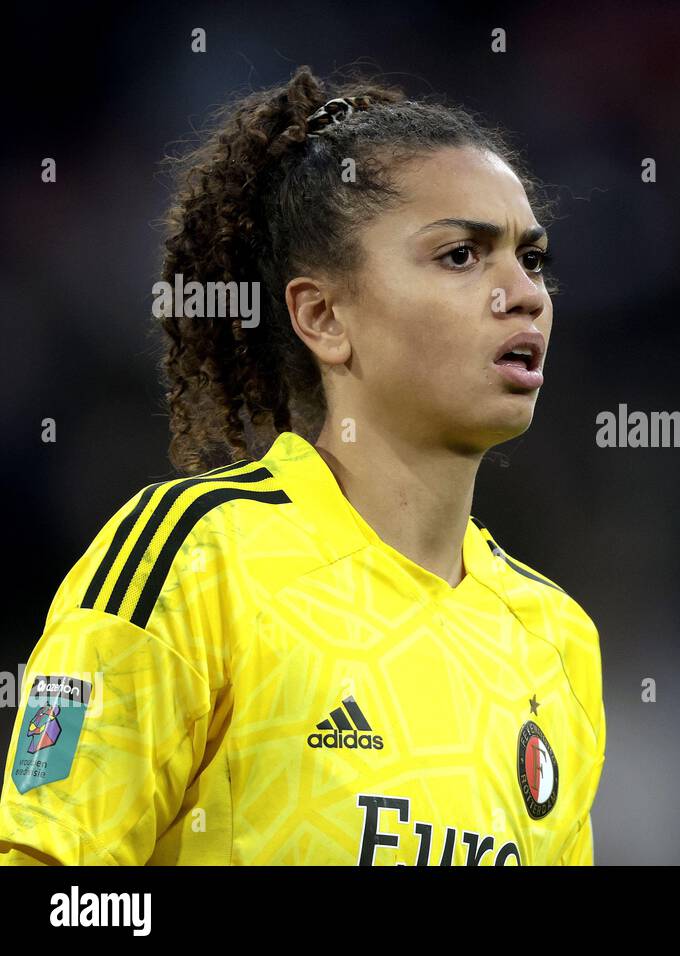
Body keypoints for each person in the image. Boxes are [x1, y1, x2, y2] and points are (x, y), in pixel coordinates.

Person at [0, 66, 605, 865]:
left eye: (532, 259)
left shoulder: (554, 639)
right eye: (462, 255)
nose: (522, 293)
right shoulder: (197, 558)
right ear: (322, 316)